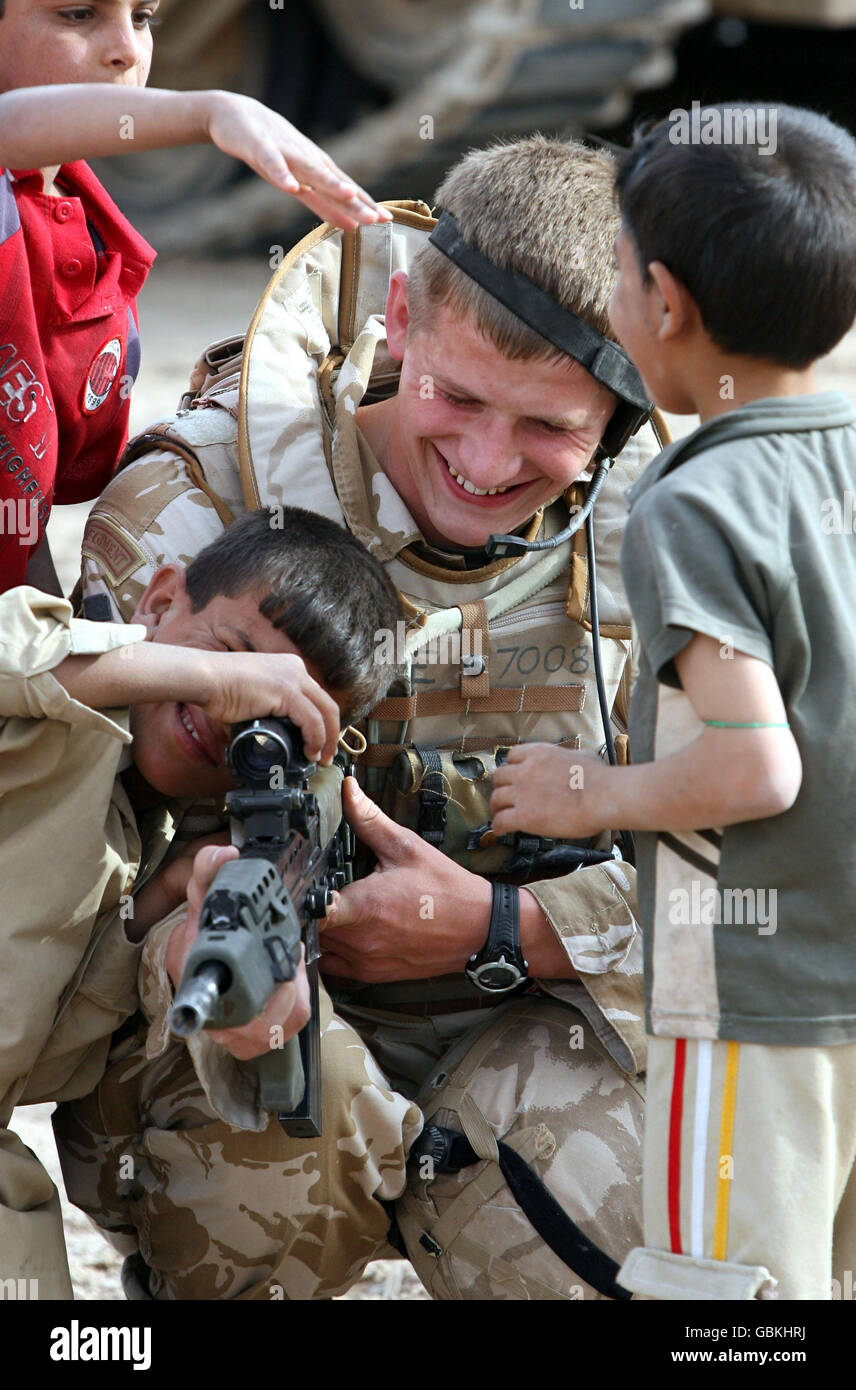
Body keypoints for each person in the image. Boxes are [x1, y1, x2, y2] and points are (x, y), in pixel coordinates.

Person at [60, 134, 661, 1300]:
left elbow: (769, 886)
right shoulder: (197, 511)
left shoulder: (677, 553)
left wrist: (500, 925)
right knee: (265, 1131)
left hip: (533, 1022)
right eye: (457, 395)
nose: (485, 463)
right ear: (398, 315)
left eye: (548, 428)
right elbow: (64, 839)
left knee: (657, 1227)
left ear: (623, 415)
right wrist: (183, 917)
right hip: (245, 1031)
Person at [491, 104, 856, 1300]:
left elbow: (754, 768)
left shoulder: (693, 503)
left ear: (662, 300)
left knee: (727, 1298)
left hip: (751, 983)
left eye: (611, 269)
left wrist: (586, 789)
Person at [1, 506, 420, 1299]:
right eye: (235, 655)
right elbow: (21, 656)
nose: (236, 709)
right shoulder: (49, 706)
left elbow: (40, 1061)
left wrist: (159, 906)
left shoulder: (138, 843)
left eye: (273, 717)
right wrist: (209, 677)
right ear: (160, 602)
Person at [0, 0, 389, 595]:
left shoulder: (81, 224)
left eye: (143, 17)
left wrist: (56, 638)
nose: (126, 49)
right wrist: (209, 112)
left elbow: (25, 531)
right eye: (77, 15)